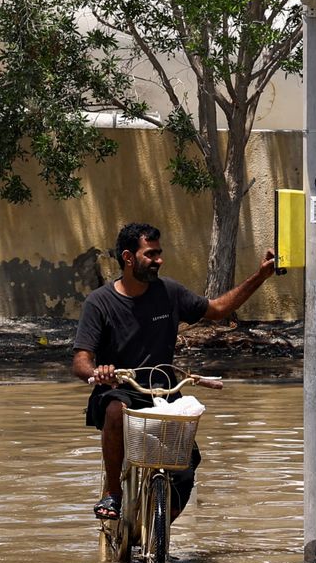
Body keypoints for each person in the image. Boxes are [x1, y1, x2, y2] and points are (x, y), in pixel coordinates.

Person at [71, 222, 276, 521]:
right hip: (120, 388)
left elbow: (217, 310)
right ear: (128, 258)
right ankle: (113, 493)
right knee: (115, 409)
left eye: (159, 253)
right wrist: (98, 372)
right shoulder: (99, 302)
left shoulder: (170, 292)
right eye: (151, 254)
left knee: (186, 465)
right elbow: (80, 360)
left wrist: (261, 276)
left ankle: (156, 535)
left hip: (163, 392)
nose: (159, 260)